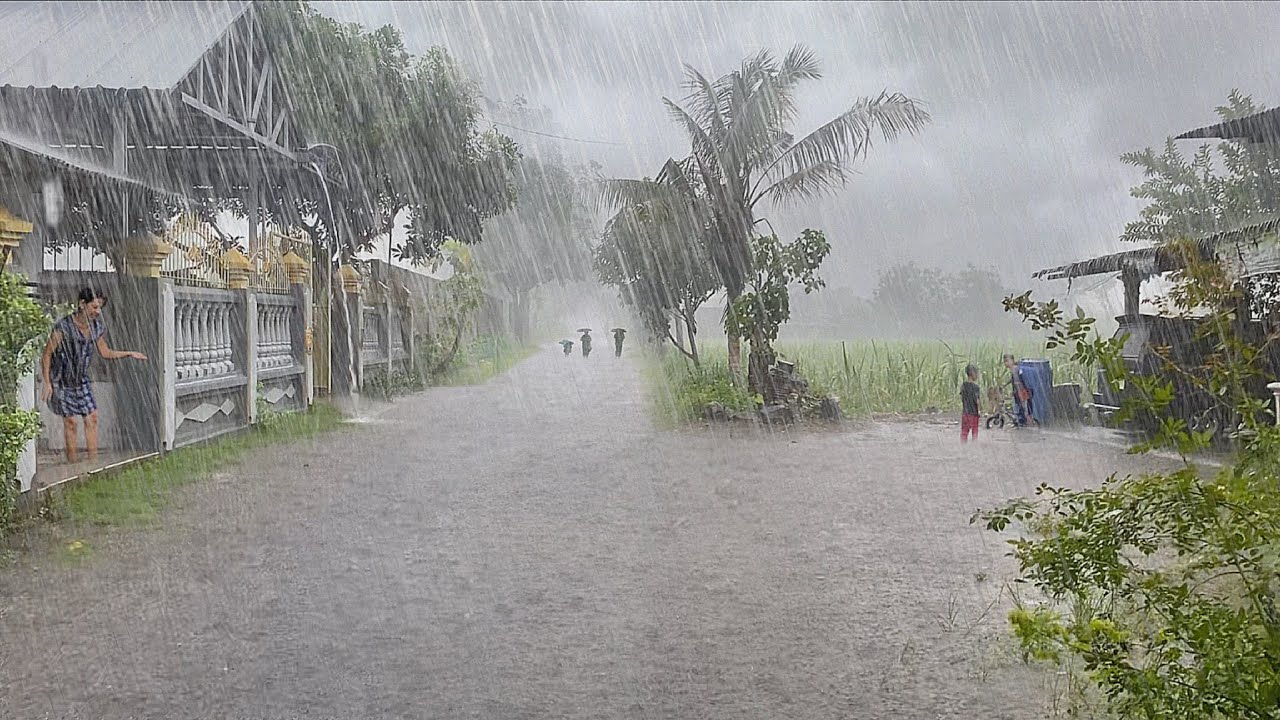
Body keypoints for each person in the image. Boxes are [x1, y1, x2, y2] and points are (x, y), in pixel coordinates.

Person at [41, 287, 148, 463]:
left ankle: (93, 464)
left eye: (100, 308)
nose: (97, 311)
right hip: (61, 380)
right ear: (82, 304)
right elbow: (47, 354)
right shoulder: (64, 327)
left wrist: (129, 353)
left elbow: (105, 352)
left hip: (81, 380)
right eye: (94, 307)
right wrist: (47, 382)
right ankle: (73, 464)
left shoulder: (96, 327)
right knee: (71, 422)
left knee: (92, 418)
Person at [1003, 353, 1035, 427]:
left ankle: (1023, 422)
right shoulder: (1015, 368)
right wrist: (1005, 385)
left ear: (1012, 360)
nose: (1006, 363)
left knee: (1022, 406)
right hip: (1021, 391)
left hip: (1021, 391)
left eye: (1007, 361)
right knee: (1020, 406)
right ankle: (1022, 421)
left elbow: (1018, 381)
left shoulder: (1015, 369)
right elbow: (1013, 379)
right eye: (1005, 361)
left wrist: (1015, 391)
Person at [960, 364, 982, 443]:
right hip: (973, 413)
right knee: (974, 430)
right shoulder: (975, 387)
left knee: (964, 431)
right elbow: (977, 400)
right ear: (972, 373)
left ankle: (963, 444)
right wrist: (979, 410)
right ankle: (974, 445)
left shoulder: (963, 385)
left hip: (965, 413)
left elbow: (962, 398)